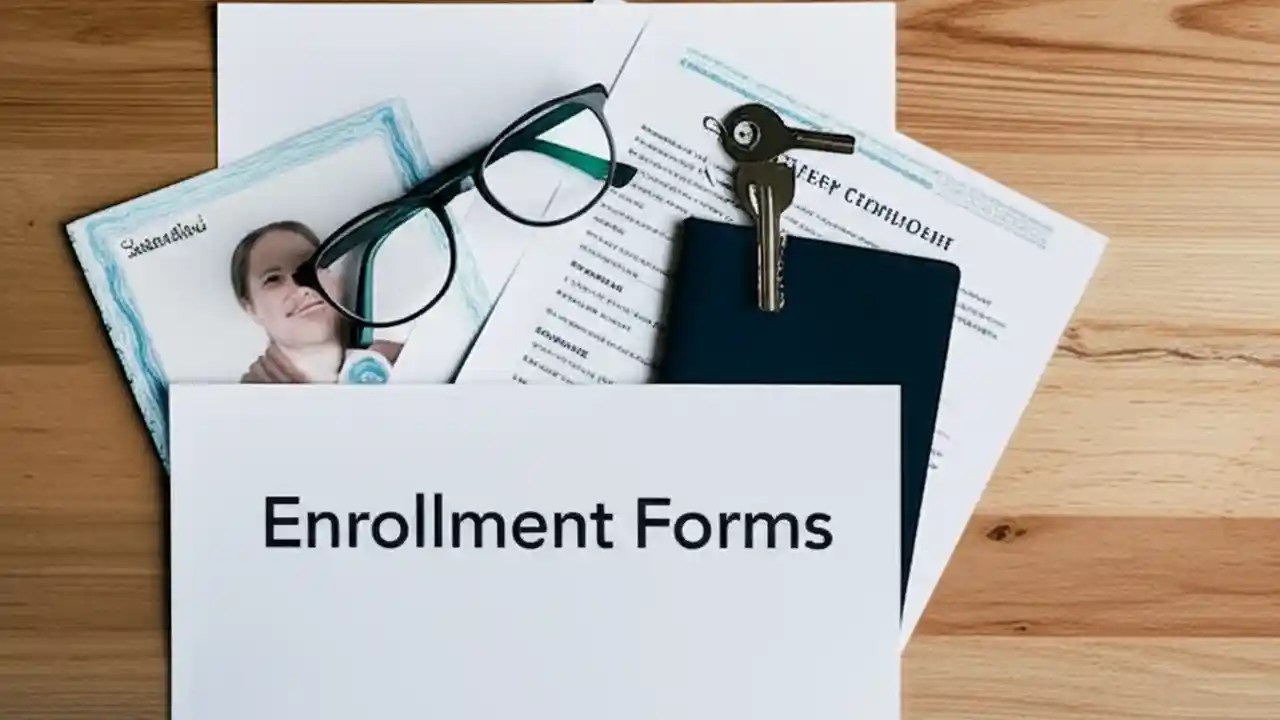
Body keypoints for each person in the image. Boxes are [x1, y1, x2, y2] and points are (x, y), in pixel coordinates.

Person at [231, 221, 401, 383]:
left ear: (335, 281)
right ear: (251, 308)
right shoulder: (245, 405)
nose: (301, 288)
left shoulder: (404, 353)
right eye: (273, 279)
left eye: (310, 267)